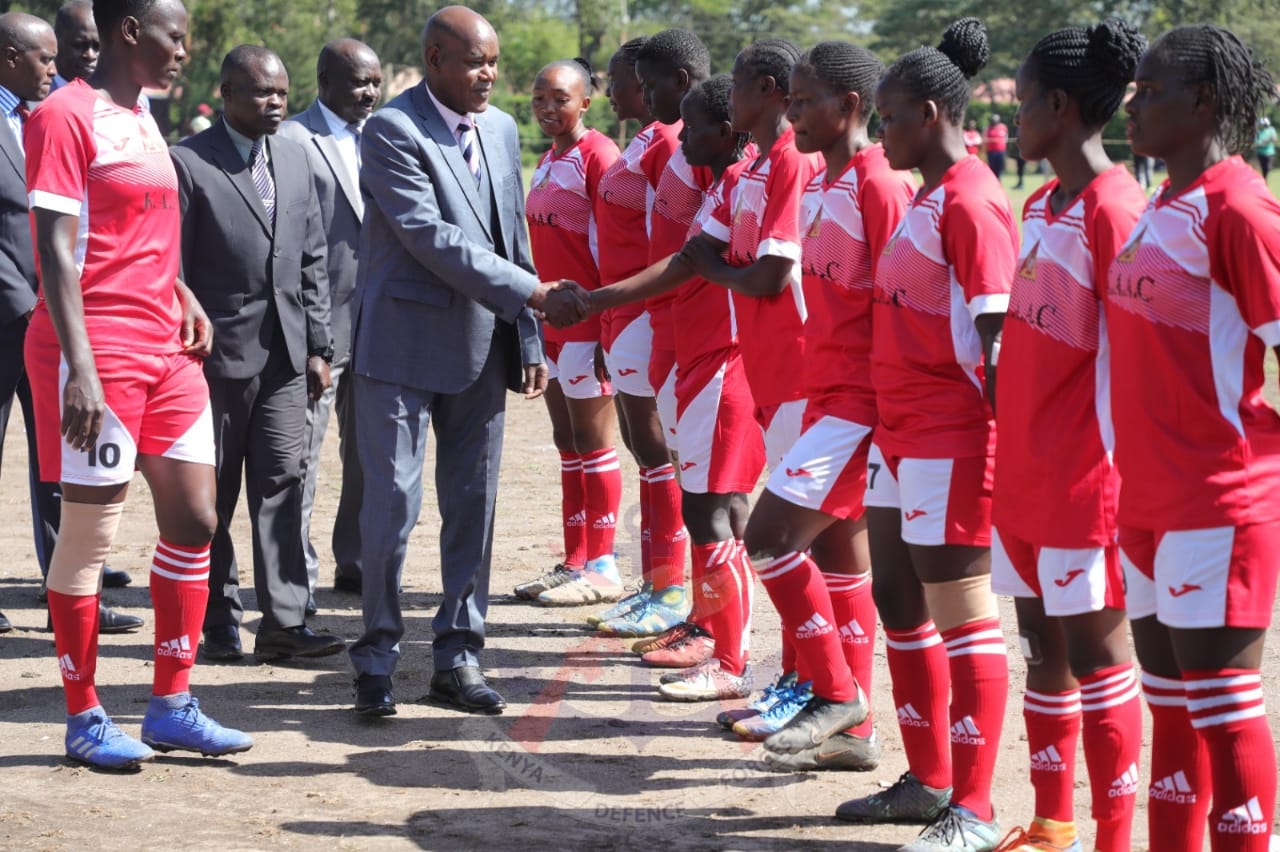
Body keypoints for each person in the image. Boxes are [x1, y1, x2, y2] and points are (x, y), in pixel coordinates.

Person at [26, 0, 252, 769]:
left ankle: (171, 703)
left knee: (195, 520)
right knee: (91, 536)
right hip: (94, 347)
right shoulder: (64, 114)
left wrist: (181, 290)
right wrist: (78, 368)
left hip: (166, 345)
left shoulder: (146, 114)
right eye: (174, 36)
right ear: (130, 32)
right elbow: (56, 251)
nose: (185, 50)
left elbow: (143, 229)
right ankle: (84, 713)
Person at [347, 5, 585, 718]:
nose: (490, 76)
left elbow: (511, 234)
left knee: (473, 510)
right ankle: (377, 658)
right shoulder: (392, 129)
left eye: (494, 63)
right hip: (399, 350)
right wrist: (536, 295)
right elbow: (429, 237)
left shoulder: (504, 128)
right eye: (476, 62)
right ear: (433, 59)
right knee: (391, 507)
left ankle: (458, 656)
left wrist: (529, 335)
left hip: (482, 349)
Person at [835, 19, 1018, 851]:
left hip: (949, 434)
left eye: (892, 117)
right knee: (896, 596)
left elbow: (997, 341)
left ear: (936, 113)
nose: (882, 133)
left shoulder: (975, 201)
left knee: (962, 613)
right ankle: (929, 778)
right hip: (898, 431)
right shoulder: (929, 196)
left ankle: (973, 808)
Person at [1114, 24, 1280, 852]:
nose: (1133, 103)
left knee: (1220, 708)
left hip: (1217, 498)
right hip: (1145, 499)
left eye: (1151, 90)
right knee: (1171, 707)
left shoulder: (1240, 206)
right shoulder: (1163, 203)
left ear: (1205, 101)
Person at [991, 20, 1148, 852]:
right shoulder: (1039, 202)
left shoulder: (1118, 210)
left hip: (1085, 480)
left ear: (1058, 106)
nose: (1013, 121)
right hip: (1020, 471)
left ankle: (1114, 841)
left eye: (1018, 105)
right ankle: (1054, 826)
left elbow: (1139, 364)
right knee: (1038, 648)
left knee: (1097, 658)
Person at [739, 39, 916, 772]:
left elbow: (910, 308)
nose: (793, 111)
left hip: (863, 405)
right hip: (824, 394)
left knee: (769, 536)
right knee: (839, 559)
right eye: (792, 99)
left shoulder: (881, 184)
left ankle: (836, 691)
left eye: (805, 100)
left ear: (850, 106)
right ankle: (856, 734)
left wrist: (890, 413)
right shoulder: (819, 185)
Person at [580, 73, 765, 701]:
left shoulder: (746, 184)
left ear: (725, 130)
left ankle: (732, 660)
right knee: (705, 504)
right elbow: (689, 261)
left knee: (718, 509)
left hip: (723, 361)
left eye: (691, 130)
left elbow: (698, 265)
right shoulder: (725, 184)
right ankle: (710, 629)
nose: (680, 143)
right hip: (693, 355)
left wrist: (595, 300)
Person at [171, 45, 344, 664]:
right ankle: (217, 622)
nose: (276, 103)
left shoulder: (296, 156)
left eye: (282, 92)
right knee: (212, 497)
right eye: (262, 93)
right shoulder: (188, 163)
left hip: (285, 363)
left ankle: (284, 626)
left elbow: (312, 259)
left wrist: (320, 348)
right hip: (212, 362)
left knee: (283, 485)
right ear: (226, 94)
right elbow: (176, 268)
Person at [582, 37, 687, 638]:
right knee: (645, 452)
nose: (622, 91)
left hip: (647, 313)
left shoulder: (670, 142)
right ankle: (656, 582)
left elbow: (665, 242)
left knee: (659, 453)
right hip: (621, 313)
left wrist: (631, 311)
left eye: (623, 80)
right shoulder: (643, 141)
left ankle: (670, 587)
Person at [278, 38, 380, 606]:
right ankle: (298, 579)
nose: (368, 93)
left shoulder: (384, 135)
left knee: (368, 451)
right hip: (316, 327)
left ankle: (356, 559)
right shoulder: (292, 139)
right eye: (356, 82)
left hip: (379, 323)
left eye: (374, 83)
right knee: (302, 459)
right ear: (323, 80)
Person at [518, 58, 624, 607]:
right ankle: (576, 560)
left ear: (586, 102)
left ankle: (604, 566)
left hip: (587, 321)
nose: (547, 108)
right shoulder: (547, 158)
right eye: (539, 98)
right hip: (552, 325)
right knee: (567, 443)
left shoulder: (599, 157)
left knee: (595, 440)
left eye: (559, 98)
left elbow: (613, 244)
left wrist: (608, 322)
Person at [50, 0, 96, 90]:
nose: (91, 55)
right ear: (55, 40)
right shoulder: (33, 98)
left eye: (98, 47)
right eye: (79, 45)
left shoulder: (119, 99)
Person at [985, 112, 1008, 177]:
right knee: (992, 168)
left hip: (1001, 151)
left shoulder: (1003, 127)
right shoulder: (988, 128)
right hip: (991, 152)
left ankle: (999, 181)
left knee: (1000, 168)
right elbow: (985, 138)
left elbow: (1006, 138)